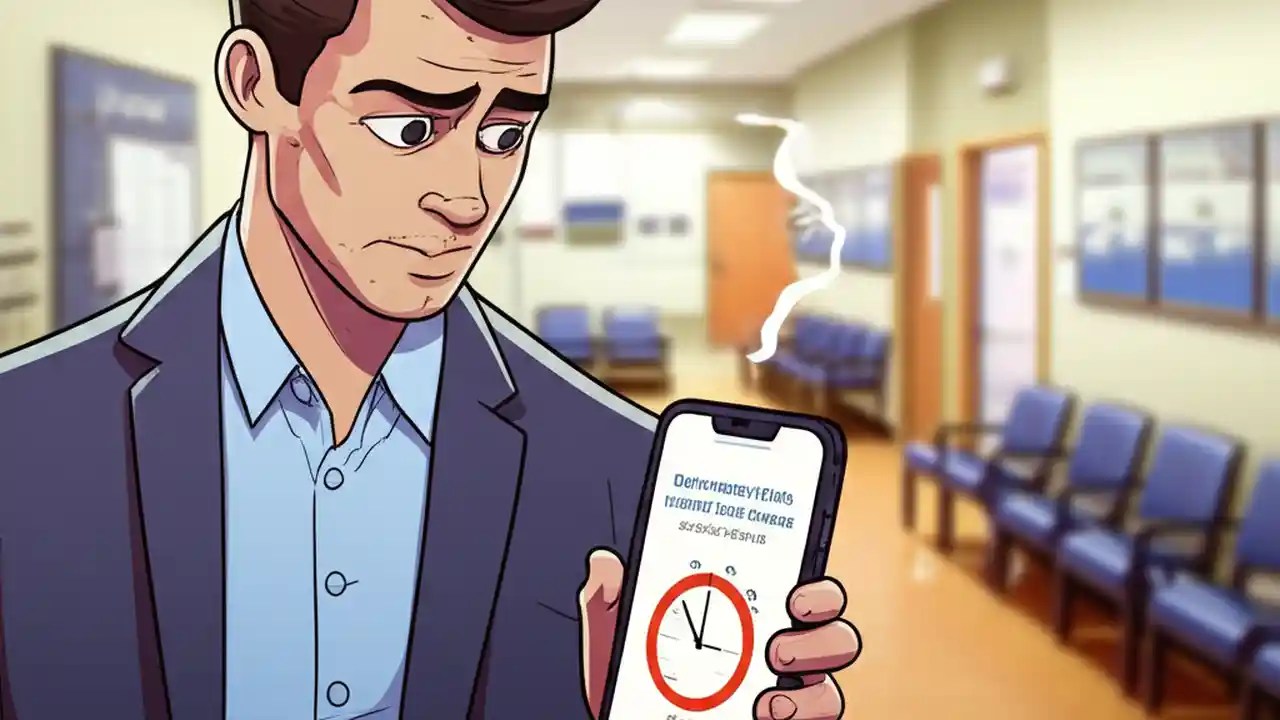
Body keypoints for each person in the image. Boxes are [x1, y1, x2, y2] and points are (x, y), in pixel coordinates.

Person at [0, 0, 861, 717]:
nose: (469, 198)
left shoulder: (618, 470)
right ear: (257, 86)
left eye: (503, 136)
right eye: (411, 127)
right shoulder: (24, 438)